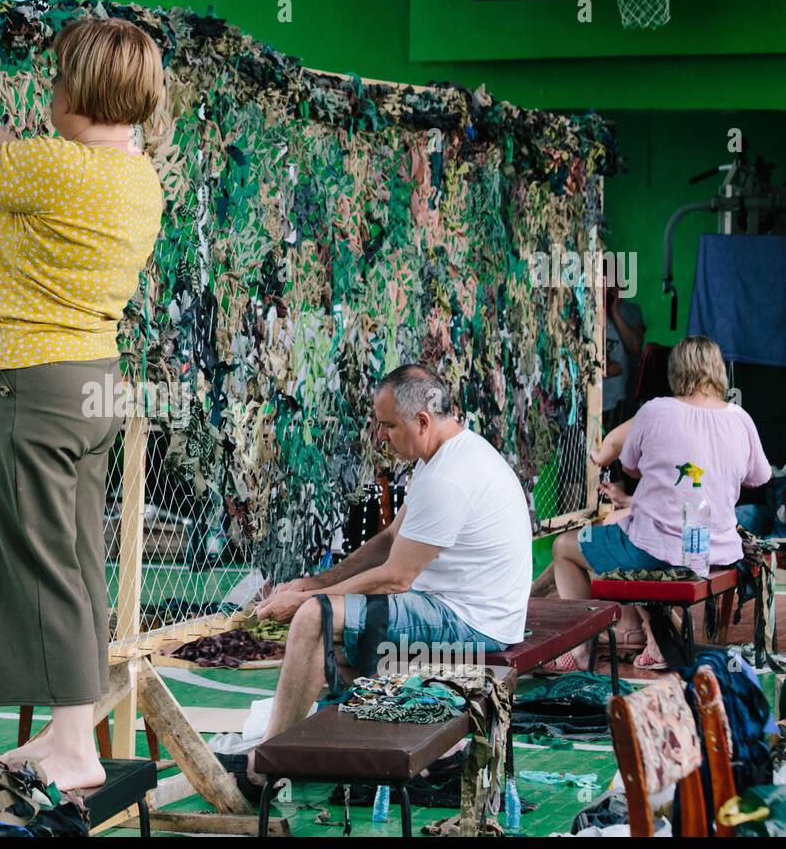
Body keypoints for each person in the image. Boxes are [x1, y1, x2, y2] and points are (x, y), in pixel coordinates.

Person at [0, 18, 165, 790]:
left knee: (33, 561)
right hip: (87, 385)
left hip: (28, 386)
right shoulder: (128, 171)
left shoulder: (57, 170)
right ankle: (69, 732)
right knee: (73, 564)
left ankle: (74, 748)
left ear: (76, 92)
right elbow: (6, 151)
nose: (47, 91)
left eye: (55, 79)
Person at [246, 364, 531, 784]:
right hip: (469, 610)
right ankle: (320, 748)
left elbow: (396, 578)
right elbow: (388, 540)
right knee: (327, 639)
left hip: (475, 622)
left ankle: (267, 761)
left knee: (313, 619)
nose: (381, 436)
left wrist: (306, 600)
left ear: (422, 421)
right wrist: (316, 582)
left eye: (388, 425)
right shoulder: (443, 454)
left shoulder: (449, 476)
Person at [550, 335, 771, 671]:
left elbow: (629, 466)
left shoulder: (654, 411)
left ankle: (581, 651)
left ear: (675, 373)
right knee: (630, 534)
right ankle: (645, 636)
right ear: (718, 372)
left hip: (657, 550)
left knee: (566, 546)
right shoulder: (740, 418)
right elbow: (760, 477)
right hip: (717, 549)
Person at [602, 282, 646, 430]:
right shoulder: (585, 309)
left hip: (617, 401)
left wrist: (615, 312)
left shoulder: (630, 311)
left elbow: (635, 347)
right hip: (587, 400)